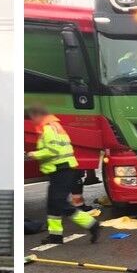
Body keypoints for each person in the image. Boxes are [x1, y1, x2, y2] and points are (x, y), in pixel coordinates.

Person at [25, 104, 100, 245]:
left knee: (60, 203)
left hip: (61, 170)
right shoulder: (53, 126)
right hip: (59, 170)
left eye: (32, 116)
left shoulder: (48, 129)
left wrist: (33, 154)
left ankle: (91, 224)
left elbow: (53, 151)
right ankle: (55, 235)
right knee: (52, 204)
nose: (32, 120)